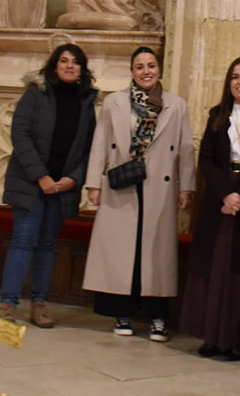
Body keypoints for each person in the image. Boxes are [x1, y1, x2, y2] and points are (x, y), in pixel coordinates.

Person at [83, 46, 194, 341]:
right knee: (123, 253)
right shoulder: (114, 103)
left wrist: (186, 187)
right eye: (140, 66)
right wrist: (94, 183)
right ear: (132, 72)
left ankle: (158, 317)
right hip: (123, 184)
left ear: (159, 70)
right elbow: (100, 142)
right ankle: (122, 312)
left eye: (151, 66)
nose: (146, 71)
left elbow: (185, 150)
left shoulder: (176, 105)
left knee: (156, 254)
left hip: (161, 187)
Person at [0, 43, 98, 328]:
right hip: (31, 183)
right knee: (23, 242)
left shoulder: (86, 102)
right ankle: (8, 303)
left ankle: (39, 305)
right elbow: (20, 134)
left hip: (61, 188)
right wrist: (41, 176)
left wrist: (73, 179)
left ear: (82, 69)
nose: (69, 66)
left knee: (48, 246)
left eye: (75, 62)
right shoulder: (36, 94)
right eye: (63, 61)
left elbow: (90, 147)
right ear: (54, 65)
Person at [181, 57, 240, 360]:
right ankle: (212, 337)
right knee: (215, 267)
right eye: (235, 77)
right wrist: (225, 194)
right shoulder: (217, 115)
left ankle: (237, 340)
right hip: (219, 200)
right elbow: (206, 159)